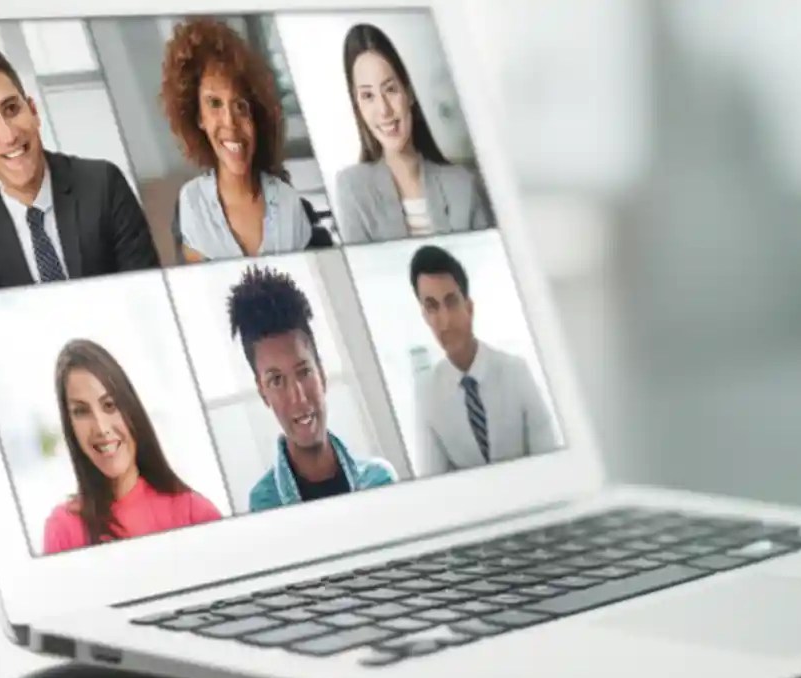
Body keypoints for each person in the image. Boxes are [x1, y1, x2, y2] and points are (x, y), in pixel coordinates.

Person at [0, 40, 160, 293]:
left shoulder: (103, 185)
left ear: (32, 109)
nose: (8, 135)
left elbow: (148, 294)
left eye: (11, 109)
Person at [226, 266, 395, 511]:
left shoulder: (380, 480)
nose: (298, 397)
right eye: (276, 381)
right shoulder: (264, 506)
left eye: (304, 372)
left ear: (322, 373)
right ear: (263, 392)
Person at [43, 339, 221, 554]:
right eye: (81, 412)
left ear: (131, 411)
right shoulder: (63, 529)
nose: (101, 428)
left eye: (109, 405)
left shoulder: (194, 513)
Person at [161, 19, 318, 262]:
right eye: (214, 103)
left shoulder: (290, 204)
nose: (230, 122)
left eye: (240, 106)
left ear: (256, 117)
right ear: (198, 117)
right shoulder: (192, 204)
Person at [334, 24, 493, 244]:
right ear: (358, 106)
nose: (384, 110)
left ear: (408, 93)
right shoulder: (352, 189)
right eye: (368, 96)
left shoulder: (463, 185)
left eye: (390, 89)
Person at [409, 245, 558, 475]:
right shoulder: (427, 394)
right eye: (432, 307)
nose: (445, 320)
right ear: (425, 317)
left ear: (469, 307)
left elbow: (550, 458)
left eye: (451, 302)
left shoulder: (516, 371)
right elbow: (435, 486)